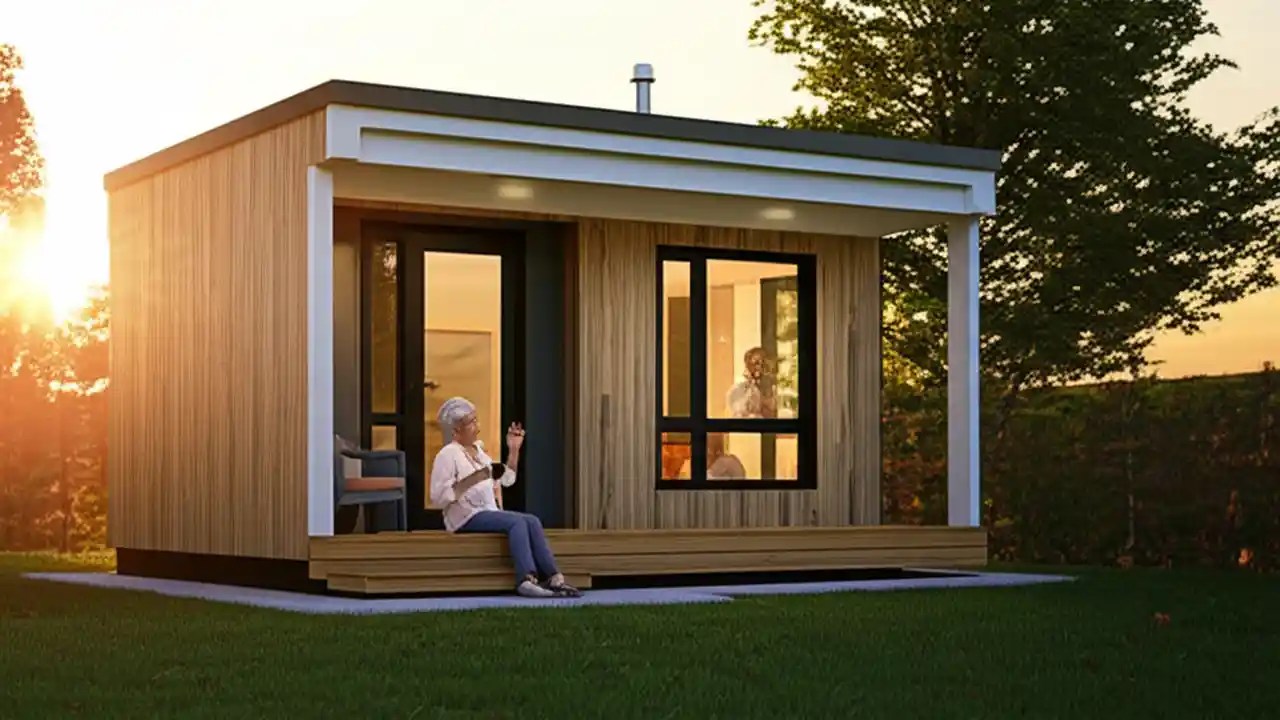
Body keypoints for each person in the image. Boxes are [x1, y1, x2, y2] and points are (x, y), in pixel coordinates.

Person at [429, 396, 581, 598]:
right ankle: (526, 579)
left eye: (476, 420)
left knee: (532, 520)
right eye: (472, 422)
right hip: (464, 517)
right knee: (516, 523)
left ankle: (554, 577)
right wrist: (477, 477)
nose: (478, 426)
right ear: (456, 430)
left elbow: (507, 479)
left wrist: (514, 449)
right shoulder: (448, 454)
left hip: (488, 512)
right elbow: (439, 497)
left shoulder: (479, 453)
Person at [726, 347, 777, 418]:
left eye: (763, 363)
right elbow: (739, 412)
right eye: (755, 363)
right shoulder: (738, 388)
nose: (759, 367)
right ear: (747, 365)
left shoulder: (772, 387)